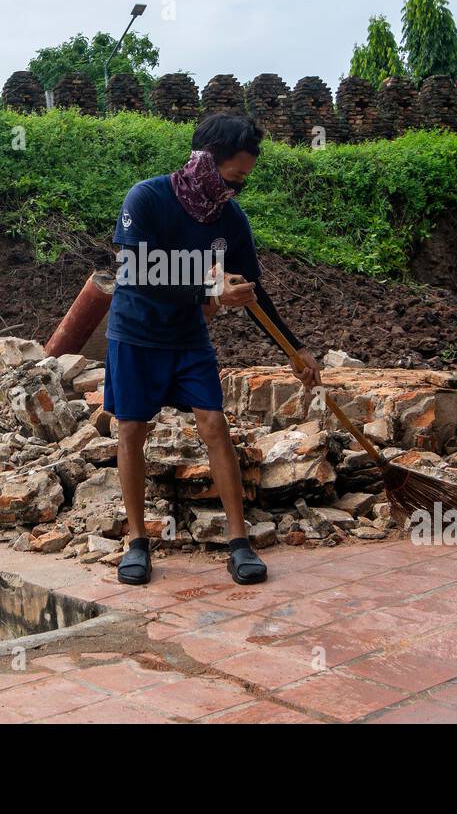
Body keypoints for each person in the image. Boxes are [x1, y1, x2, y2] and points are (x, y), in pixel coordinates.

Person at [103, 112, 321, 586]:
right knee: (133, 428)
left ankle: (239, 544)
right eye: (235, 175)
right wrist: (209, 290)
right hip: (136, 334)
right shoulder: (147, 198)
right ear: (206, 161)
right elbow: (136, 269)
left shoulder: (230, 218)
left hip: (187, 337)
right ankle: (137, 541)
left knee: (215, 424)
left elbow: (253, 291)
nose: (238, 188)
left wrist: (295, 349)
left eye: (244, 179)